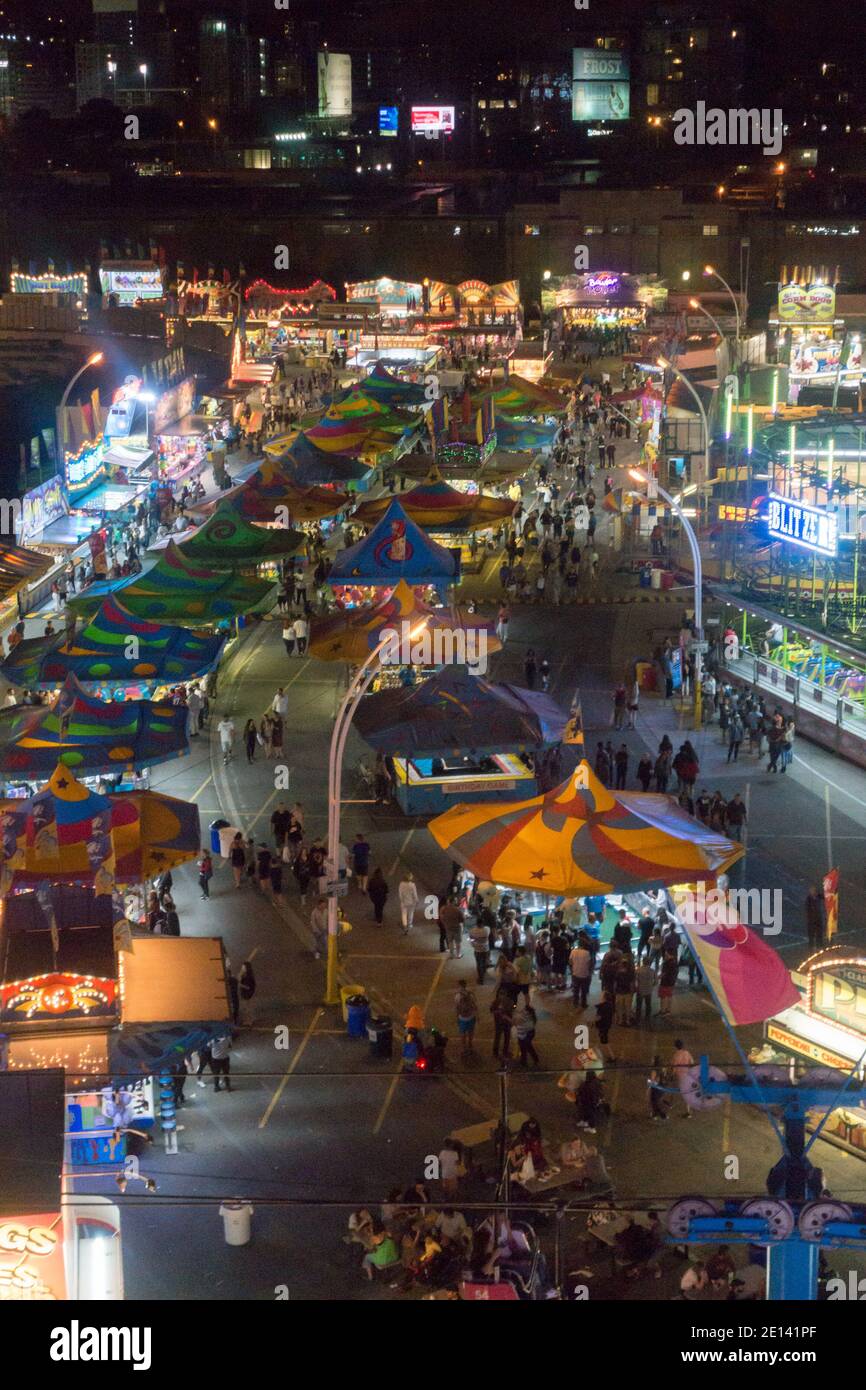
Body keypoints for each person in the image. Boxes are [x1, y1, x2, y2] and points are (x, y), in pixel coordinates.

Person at [491, 981, 516, 1060]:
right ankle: (495, 1052)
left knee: (507, 1037)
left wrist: (511, 1007)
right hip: (499, 1023)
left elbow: (513, 1008)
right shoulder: (495, 1002)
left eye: (503, 994)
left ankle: (505, 1051)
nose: (502, 996)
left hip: (506, 1023)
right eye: (500, 994)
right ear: (498, 995)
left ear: (506, 994)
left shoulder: (510, 1001)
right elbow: (491, 1010)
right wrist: (498, 1011)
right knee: (498, 1037)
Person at [671, 1039, 695, 1118]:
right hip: (688, 1075)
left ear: (675, 1046)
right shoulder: (687, 1053)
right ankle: (688, 1109)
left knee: (684, 1092)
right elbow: (692, 1062)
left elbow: (674, 1067)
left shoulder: (676, 1055)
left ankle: (688, 1112)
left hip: (680, 1076)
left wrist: (672, 1074)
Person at [454, 981, 478, 1056]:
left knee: (464, 1034)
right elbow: (475, 1006)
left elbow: (457, 1008)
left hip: (464, 1018)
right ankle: (468, 1046)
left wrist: (457, 1018)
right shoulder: (470, 995)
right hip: (469, 1017)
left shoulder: (458, 996)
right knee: (468, 1033)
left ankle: (465, 1047)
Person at [569, 936, 592, 1008]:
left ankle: (575, 1003)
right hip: (584, 974)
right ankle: (583, 1004)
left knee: (576, 989)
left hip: (575, 973)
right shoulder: (587, 953)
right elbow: (589, 964)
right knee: (584, 990)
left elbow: (570, 962)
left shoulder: (573, 951)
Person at [515, 1002, 540, 1068]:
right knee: (527, 1047)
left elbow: (515, 1022)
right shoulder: (529, 1016)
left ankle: (525, 1061)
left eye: (524, 1010)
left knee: (525, 1047)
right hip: (526, 1034)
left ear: (527, 1012)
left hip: (525, 1034)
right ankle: (531, 1060)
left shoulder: (525, 1018)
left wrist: (505, 1017)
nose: (523, 1011)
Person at [595, 989, 615, 1062]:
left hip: (602, 1026)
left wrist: (592, 1021)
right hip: (606, 1026)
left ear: (604, 998)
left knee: (605, 1042)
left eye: (601, 996)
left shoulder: (602, 1007)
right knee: (602, 1041)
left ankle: (612, 1057)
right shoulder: (609, 1005)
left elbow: (599, 1017)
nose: (600, 997)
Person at [805, 885, 826, 950]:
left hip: (818, 918)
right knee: (811, 934)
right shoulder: (808, 899)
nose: (813, 892)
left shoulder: (818, 896)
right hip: (811, 920)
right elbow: (807, 909)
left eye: (814, 890)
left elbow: (826, 896)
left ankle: (820, 945)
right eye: (811, 890)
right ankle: (811, 946)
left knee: (819, 933)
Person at [635, 959, 655, 1024]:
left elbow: (635, 980)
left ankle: (638, 1018)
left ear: (643, 962)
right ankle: (647, 1017)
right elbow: (656, 981)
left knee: (639, 1005)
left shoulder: (638, 970)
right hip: (649, 990)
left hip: (640, 990)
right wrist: (651, 985)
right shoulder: (652, 971)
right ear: (649, 963)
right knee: (648, 1004)